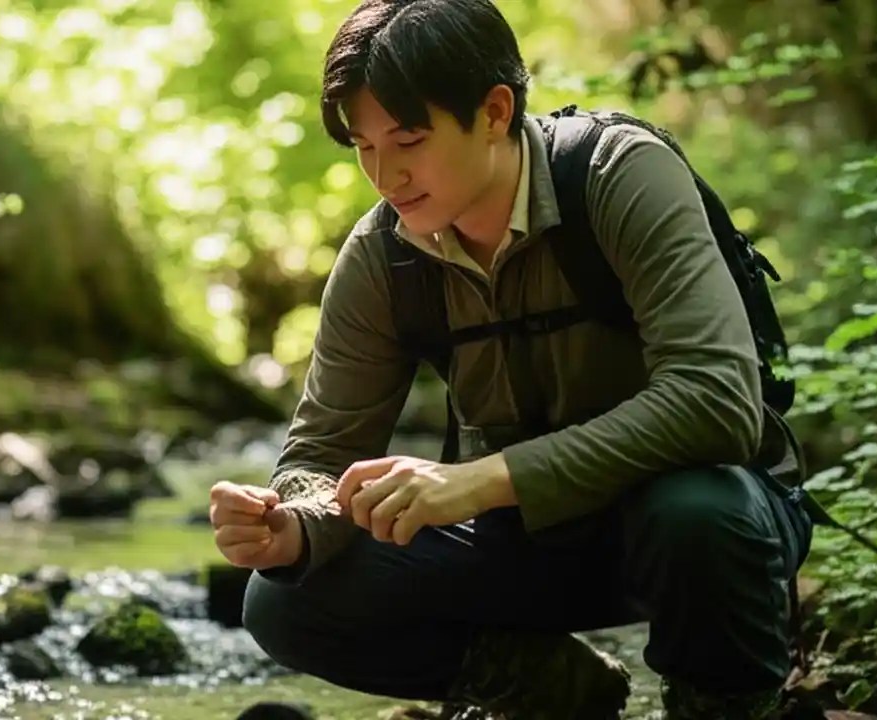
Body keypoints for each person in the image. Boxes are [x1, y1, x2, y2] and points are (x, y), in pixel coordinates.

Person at [207, 1, 814, 718]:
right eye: (364, 147)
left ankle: (725, 705)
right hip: (526, 541)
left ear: (495, 111)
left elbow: (716, 400)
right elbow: (323, 453)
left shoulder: (620, 176)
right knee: (283, 600)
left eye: (408, 138)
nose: (385, 175)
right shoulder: (381, 257)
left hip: (695, 533)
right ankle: (554, 686)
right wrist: (293, 523)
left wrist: (477, 481)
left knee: (697, 512)